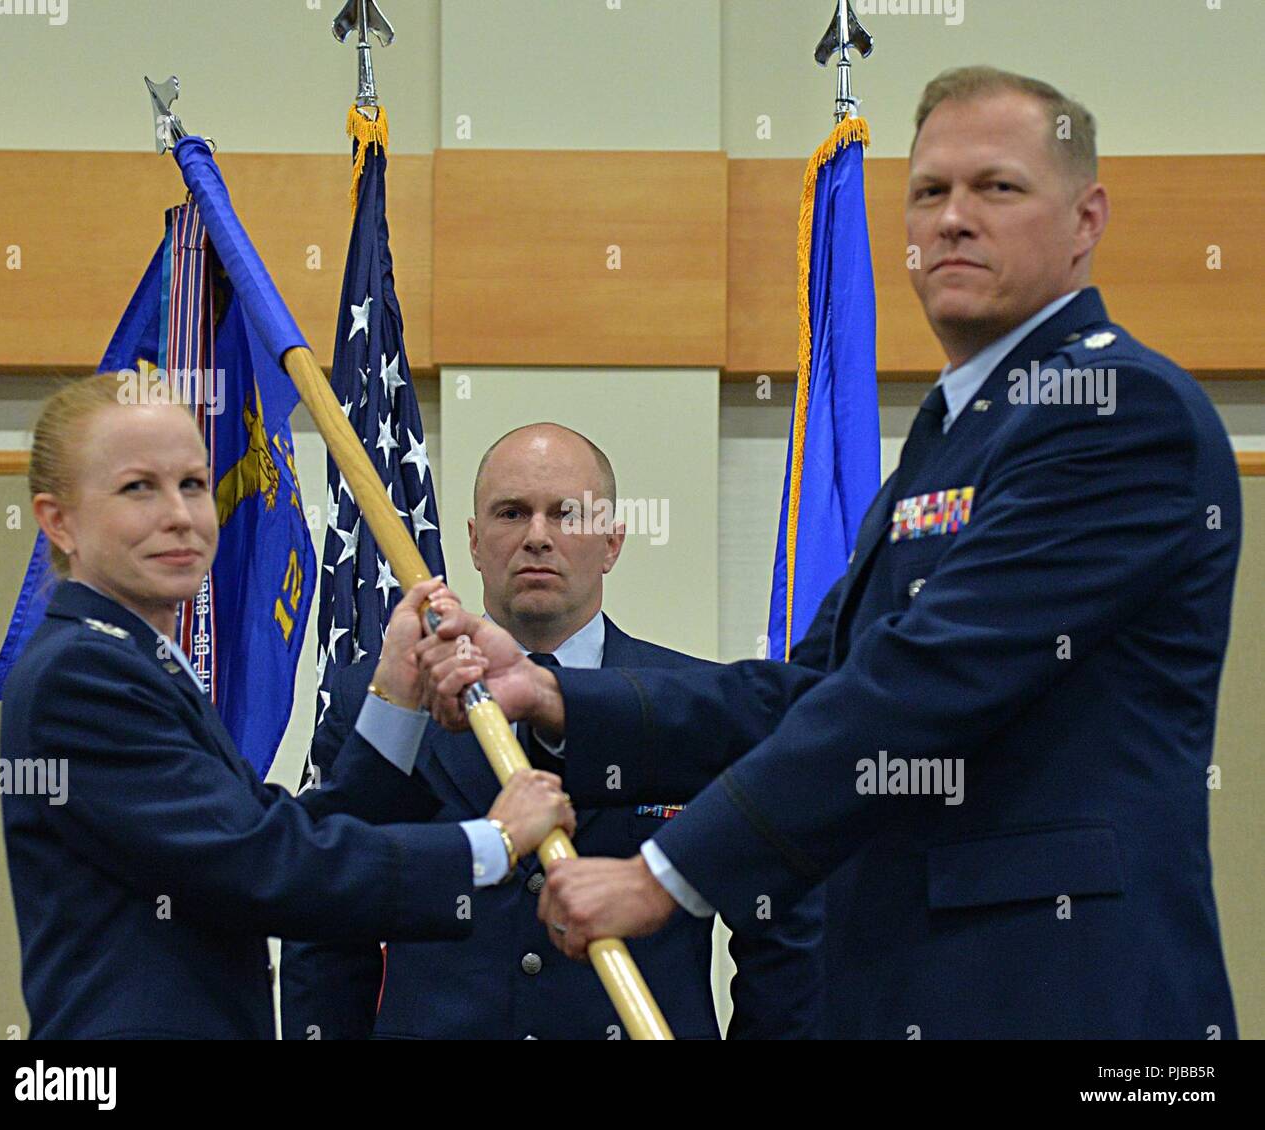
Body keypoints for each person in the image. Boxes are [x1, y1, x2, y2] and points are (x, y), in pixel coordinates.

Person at [417, 69, 1241, 1039]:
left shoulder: (1114, 411)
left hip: (1065, 997)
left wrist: (663, 873)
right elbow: (803, 695)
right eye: (929, 192)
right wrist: (557, 696)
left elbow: (920, 685)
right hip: (914, 990)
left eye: (997, 187)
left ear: (1085, 218)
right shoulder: (950, 436)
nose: (953, 219)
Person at [0, 374, 574, 1039]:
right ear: (57, 520)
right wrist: (492, 845)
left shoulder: (136, 661)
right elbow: (259, 865)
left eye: (191, 483)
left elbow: (274, 834)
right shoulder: (84, 672)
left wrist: (397, 693)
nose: (180, 515)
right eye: (138, 488)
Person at [281, 422, 823, 1039]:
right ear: (475, 542)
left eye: (567, 514)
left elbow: (780, 925)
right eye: (512, 513)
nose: (538, 536)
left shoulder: (696, 707)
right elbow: (326, 919)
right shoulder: (378, 699)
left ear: (613, 542)